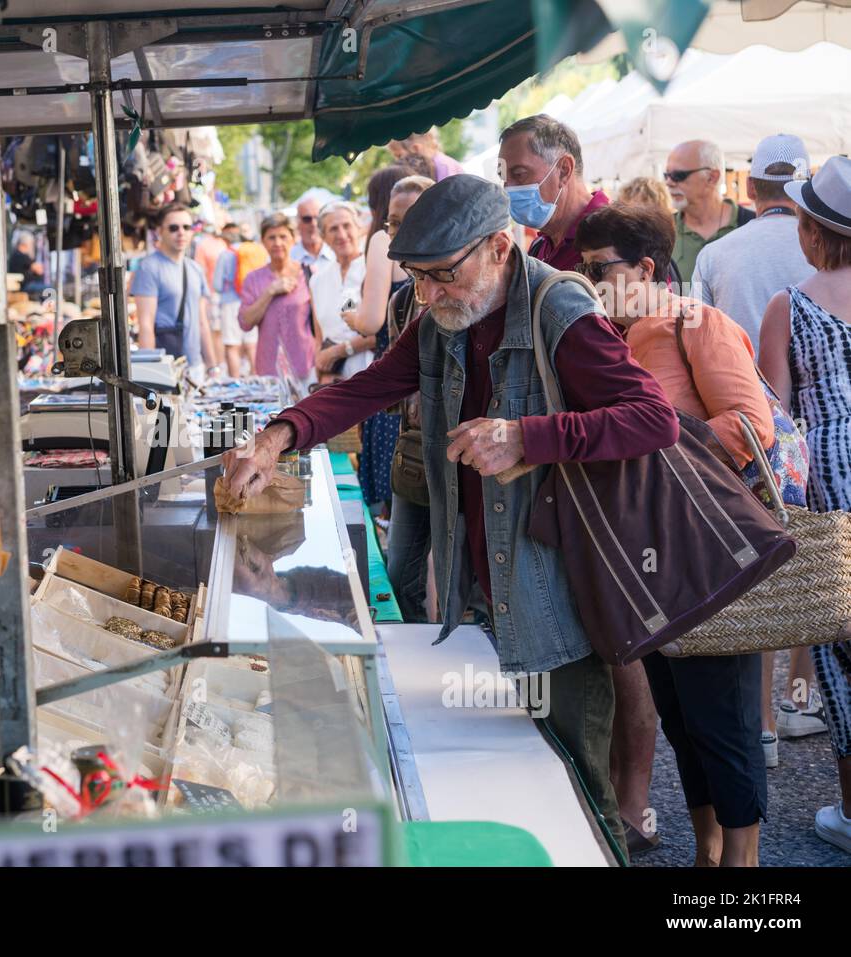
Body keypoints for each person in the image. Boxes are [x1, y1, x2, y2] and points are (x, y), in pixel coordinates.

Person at [224, 175, 682, 862]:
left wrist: (529, 436)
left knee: (581, 800)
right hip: (489, 593)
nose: (429, 295)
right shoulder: (441, 320)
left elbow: (655, 419)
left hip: (560, 601)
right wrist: (278, 436)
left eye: (444, 276)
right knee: (527, 784)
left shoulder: (560, 308)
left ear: (500, 247)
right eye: (418, 278)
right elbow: (370, 386)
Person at [576, 202, 774, 867]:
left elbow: (751, 430)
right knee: (683, 720)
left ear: (648, 268)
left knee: (726, 722)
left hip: (711, 554)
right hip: (649, 559)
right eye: (586, 271)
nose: (592, 281)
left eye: (602, 269)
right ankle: (708, 853)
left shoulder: (699, 326)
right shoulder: (609, 338)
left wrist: (651, 429)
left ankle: (743, 866)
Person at [692, 136, 824, 761]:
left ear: (748, 188)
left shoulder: (719, 254)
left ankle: (764, 721)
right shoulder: (826, 252)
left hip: (749, 437)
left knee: (759, 574)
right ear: (802, 188)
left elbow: (695, 340)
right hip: (823, 431)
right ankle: (803, 696)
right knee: (823, 569)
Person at [759, 155, 851, 855]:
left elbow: (776, 422)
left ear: (814, 231)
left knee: (841, 656)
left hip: (831, 490)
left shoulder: (790, 305)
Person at [693, 134, 817, 351]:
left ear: (750, 187)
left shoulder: (711, 255)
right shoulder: (829, 252)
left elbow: (694, 335)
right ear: (808, 186)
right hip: (817, 383)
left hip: (738, 383)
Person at [377, 175, 435, 622]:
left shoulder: (471, 292)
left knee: (466, 591)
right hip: (415, 456)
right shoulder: (401, 301)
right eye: (392, 224)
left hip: (467, 464)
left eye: (407, 221)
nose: (396, 233)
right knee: (399, 578)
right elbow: (389, 381)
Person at [344, 165, 409, 511]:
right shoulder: (434, 239)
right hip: (422, 387)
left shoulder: (383, 240)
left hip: (392, 379)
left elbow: (371, 321)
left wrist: (351, 317)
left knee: (391, 503)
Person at [499, 114, 610, 271]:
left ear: (564, 170)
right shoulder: (540, 246)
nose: (507, 188)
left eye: (519, 174)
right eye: (503, 177)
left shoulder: (616, 239)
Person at [130, 203, 221, 374]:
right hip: (166, 367)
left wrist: (212, 366)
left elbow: (202, 322)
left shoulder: (195, 269)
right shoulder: (149, 268)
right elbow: (146, 324)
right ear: (159, 231)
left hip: (195, 366)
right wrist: (151, 373)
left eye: (187, 227)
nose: (181, 232)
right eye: (173, 228)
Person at [237, 213, 316, 390]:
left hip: (306, 368)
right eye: (271, 237)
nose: (278, 243)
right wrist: (270, 292)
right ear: (263, 242)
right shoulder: (253, 279)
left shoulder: (310, 274)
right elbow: (245, 322)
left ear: (293, 239)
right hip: (269, 371)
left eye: (283, 237)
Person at [665, 138, 755, 281]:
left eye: (678, 175)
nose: (669, 182)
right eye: (667, 175)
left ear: (712, 177)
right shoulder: (662, 232)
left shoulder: (752, 224)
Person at [309, 202, 371, 382]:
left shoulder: (372, 270)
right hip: (333, 382)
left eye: (347, 226)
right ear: (323, 236)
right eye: (333, 229)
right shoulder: (318, 280)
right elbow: (319, 338)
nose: (342, 235)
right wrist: (322, 375)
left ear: (359, 228)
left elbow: (384, 332)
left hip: (368, 376)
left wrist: (338, 352)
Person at [212, 222, 255, 376]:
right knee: (251, 344)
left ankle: (235, 384)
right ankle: (258, 380)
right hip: (251, 302)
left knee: (232, 345)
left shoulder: (225, 255)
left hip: (230, 303)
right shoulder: (251, 251)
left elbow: (216, 284)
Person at [388, 129, 464, 182]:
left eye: (399, 155)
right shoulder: (440, 164)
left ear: (415, 148)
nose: (397, 160)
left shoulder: (443, 167)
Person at [290, 196, 335, 270]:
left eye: (318, 218)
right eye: (307, 219)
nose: (314, 224)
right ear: (297, 222)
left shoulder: (337, 254)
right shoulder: (288, 257)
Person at [7, 231, 46, 296]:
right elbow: (38, 269)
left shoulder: (17, 254)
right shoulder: (19, 255)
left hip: (25, 285)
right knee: (50, 289)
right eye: (31, 244)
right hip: (24, 286)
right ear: (25, 244)